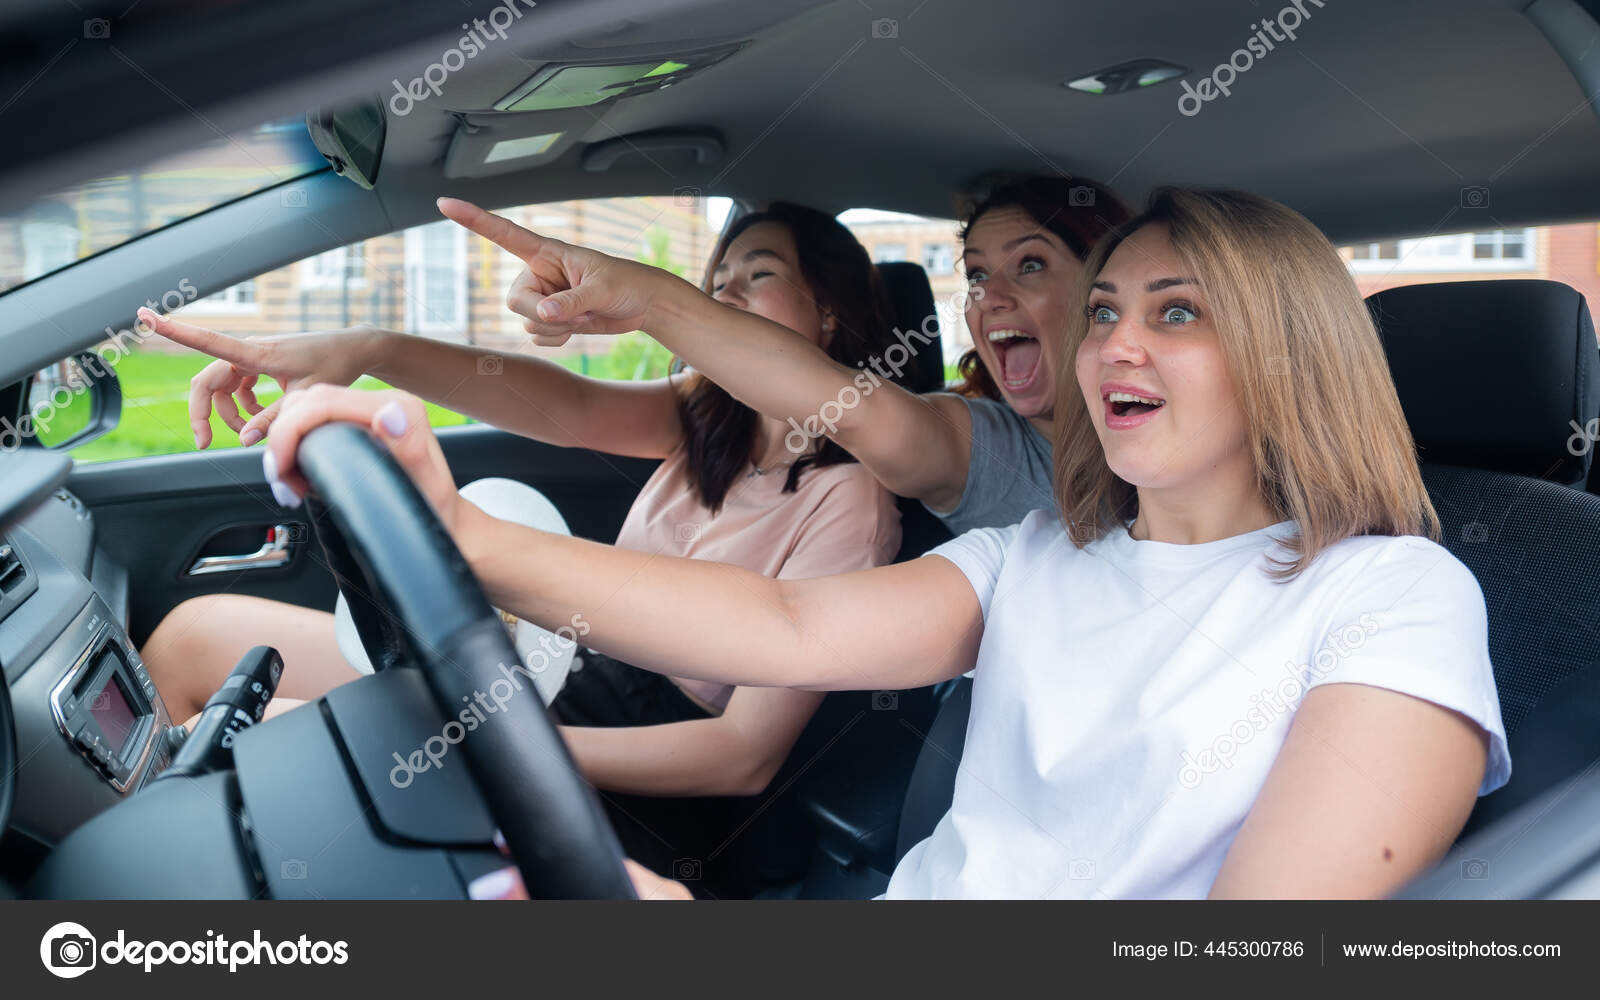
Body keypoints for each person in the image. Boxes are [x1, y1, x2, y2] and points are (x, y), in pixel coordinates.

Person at [258, 187, 1510, 899]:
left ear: (1287, 351)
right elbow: (784, 627)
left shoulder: (1393, 594)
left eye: (1176, 314)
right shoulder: (1033, 552)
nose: (1114, 346)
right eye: (1110, 312)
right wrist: (465, 532)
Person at [136, 202, 912, 897]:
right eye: (719, 276)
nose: (723, 293)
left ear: (831, 317)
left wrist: (513, 744)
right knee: (194, 639)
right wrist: (368, 348)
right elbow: (559, 402)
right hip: (556, 664)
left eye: (760, 272)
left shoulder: (851, 499)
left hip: (642, 768)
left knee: (280, 736)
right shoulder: (709, 418)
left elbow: (741, 756)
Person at [438, 174, 1131, 534]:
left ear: (1106, 287)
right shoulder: (986, 446)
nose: (989, 297)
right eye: (976, 276)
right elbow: (854, 411)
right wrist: (373, 352)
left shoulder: (1196, 449)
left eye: (1031, 265)